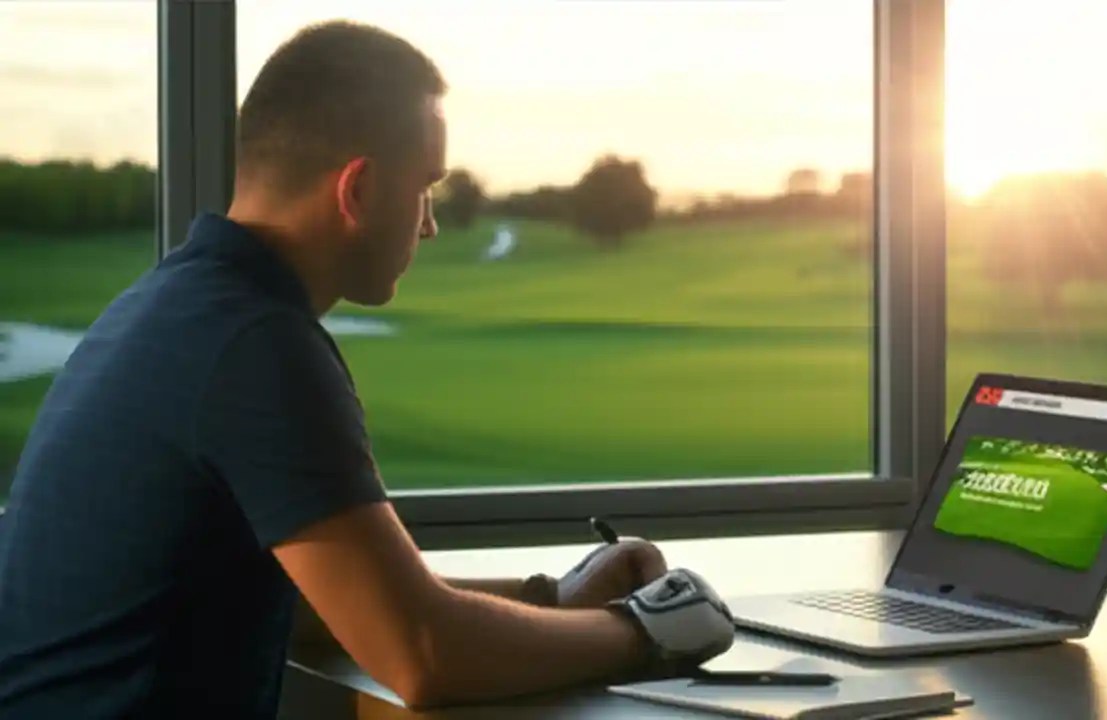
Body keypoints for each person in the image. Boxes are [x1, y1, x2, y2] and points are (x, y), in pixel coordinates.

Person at [0, 21, 734, 719]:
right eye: (426, 187)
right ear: (356, 190)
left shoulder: (170, 306)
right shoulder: (256, 344)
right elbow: (421, 653)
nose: (430, 223)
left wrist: (554, 597)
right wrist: (647, 629)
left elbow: (325, 602)